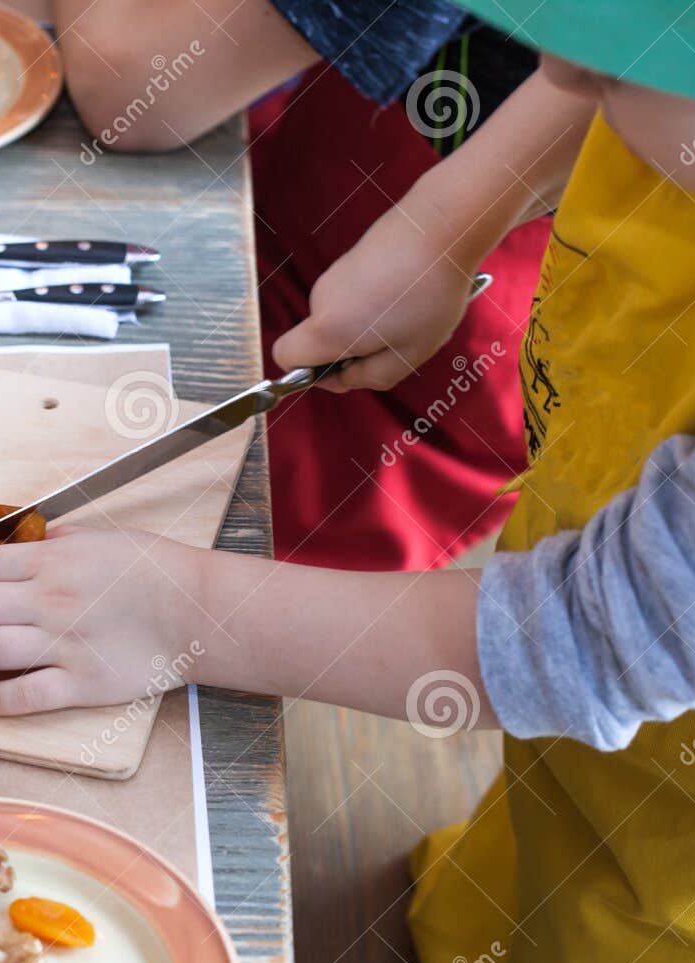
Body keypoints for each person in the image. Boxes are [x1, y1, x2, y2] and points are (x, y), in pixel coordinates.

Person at [0, 1, 695, 963]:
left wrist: (183, 614)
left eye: (616, 66)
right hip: (574, 766)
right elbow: (618, 81)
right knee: (525, 899)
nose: (557, 64)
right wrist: (444, 222)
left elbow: (588, 637)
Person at [56, 0, 551, 571]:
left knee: (203, 567)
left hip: (433, 338)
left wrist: (446, 232)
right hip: (300, 199)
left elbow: (128, 86)